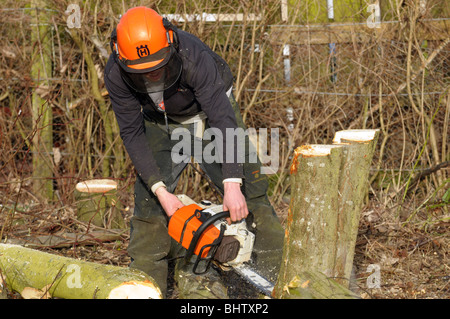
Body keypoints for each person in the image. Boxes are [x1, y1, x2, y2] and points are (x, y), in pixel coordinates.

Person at [104, 6, 284, 298]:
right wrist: (162, 191)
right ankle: (146, 287)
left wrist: (232, 183)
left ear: (170, 43)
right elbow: (131, 132)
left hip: (207, 115)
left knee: (251, 194)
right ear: (122, 58)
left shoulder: (193, 56)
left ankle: (268, 285)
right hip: (159, 122)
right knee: (150, 205)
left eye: (158, 66)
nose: (152, 75)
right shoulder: (115, 73)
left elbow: (223, 119)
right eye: (142, 72)